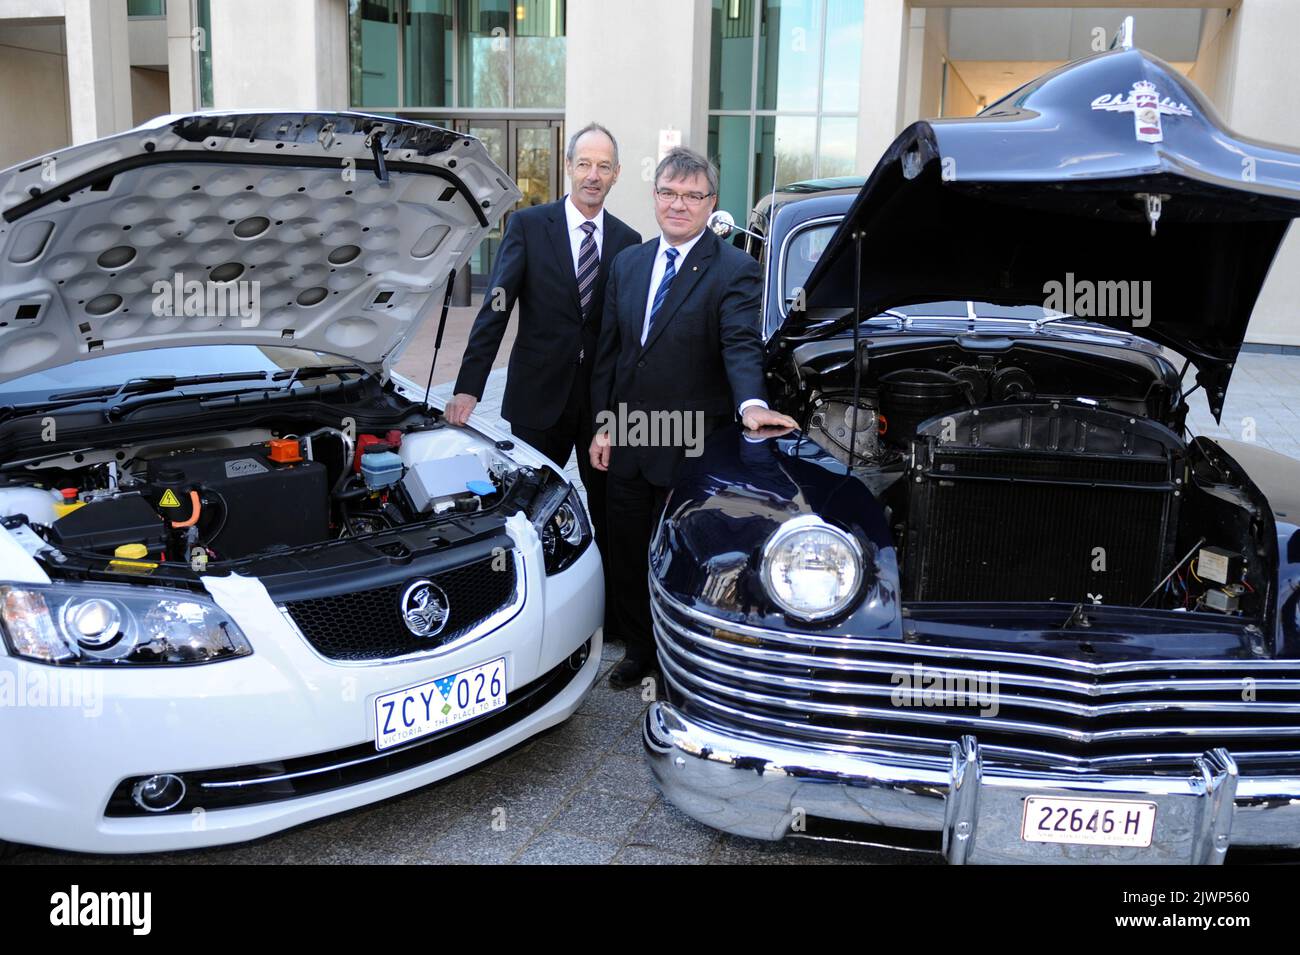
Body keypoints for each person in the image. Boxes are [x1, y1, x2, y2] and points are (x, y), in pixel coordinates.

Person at [589, 146, 797, 688]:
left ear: (711, 204)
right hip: (631, 435)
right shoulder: (628, 263)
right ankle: (639, 651)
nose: (678, 205)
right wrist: (603, 425)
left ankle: (689, 660)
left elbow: (740, 345)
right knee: (628, 551)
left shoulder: (734, 269)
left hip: (692, 442)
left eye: (692, 196)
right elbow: (610, 353)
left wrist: (751, 406)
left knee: (689, 557)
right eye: (668, 193)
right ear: (654, 196)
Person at [445, 122, 641, 640]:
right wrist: (468, 386)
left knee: (609, 513)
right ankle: (524, 617)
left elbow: (625, 338)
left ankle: (613, 623)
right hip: (537, 399)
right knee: (527, 515)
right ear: (568, 167)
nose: (592, 175)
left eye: (604, 166)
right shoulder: (529, 226)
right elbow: (496, 309)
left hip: (599, 407)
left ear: (616, 174)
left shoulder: (628, 242)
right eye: (584, 164)